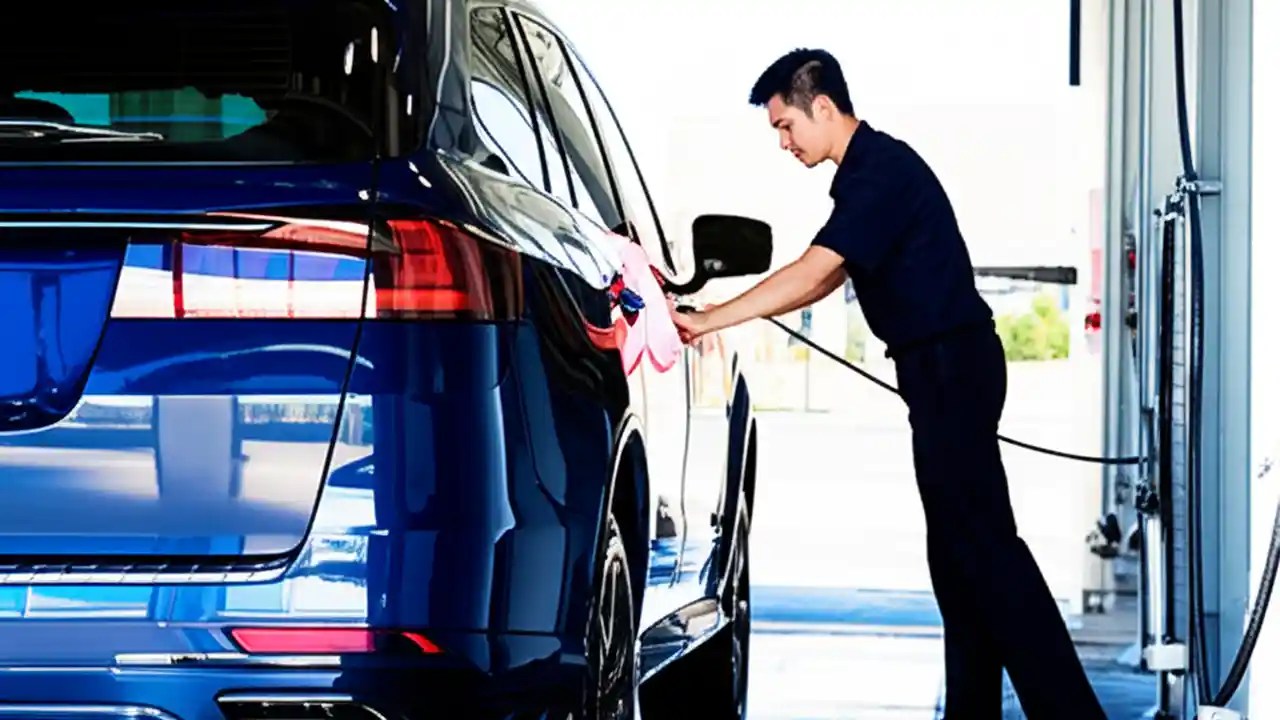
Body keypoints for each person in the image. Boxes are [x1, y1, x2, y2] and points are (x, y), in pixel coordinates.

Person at [669, 48, 1107, 719]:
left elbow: (817, 272)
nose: (784, 142)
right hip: (937, 371)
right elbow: (827, 272)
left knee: (988, 556)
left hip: (951, 368)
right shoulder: (864, 177)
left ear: (823, 105)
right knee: (958, 566)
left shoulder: (881, 172)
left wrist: (709, 319)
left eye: (787, 125)